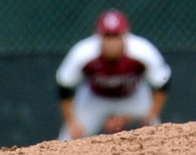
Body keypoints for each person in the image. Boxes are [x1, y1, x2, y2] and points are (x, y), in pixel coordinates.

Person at [54, 8, 171, 139]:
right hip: (95, 98)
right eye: (107, 36)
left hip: (133, 96)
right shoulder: (83, 52)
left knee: (156, 132)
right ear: (98, 36)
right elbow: (64, 86)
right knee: (68, 136)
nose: (112, 42)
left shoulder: (142, 51)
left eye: (116, 36)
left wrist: (152, 114)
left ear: (125, 35)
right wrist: (72, 122)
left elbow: (162, 83)